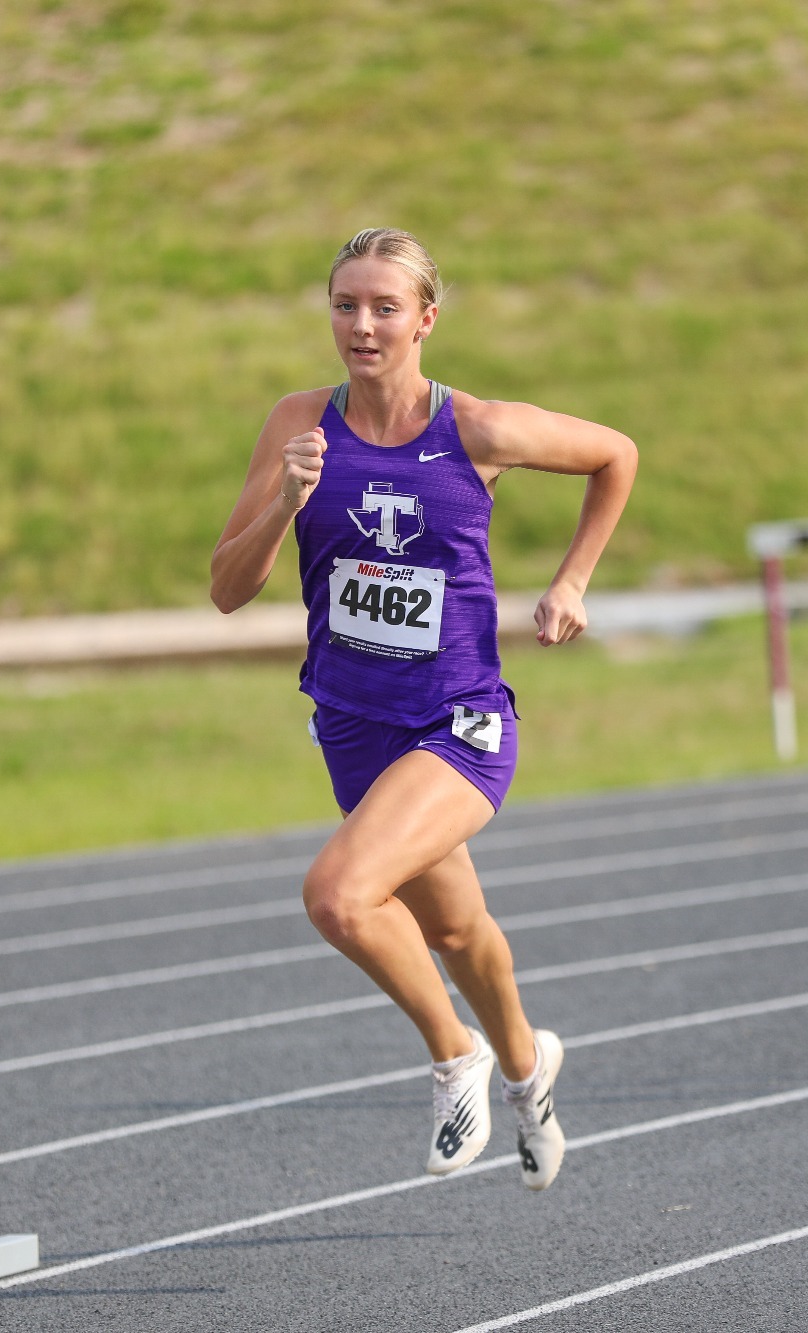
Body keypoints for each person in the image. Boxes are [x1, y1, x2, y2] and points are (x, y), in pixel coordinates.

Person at [210, 228, 637, 1190]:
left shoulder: (477, 429)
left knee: (339, 896)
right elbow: (227, 588)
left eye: (384, 307)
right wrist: (283, 500)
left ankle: (457, 1056)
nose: (362, 325)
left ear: (426, 320)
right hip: (354, 722)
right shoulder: (297, 422)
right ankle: (530, 1071)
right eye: (345, 305)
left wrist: (573, 580)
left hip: (460, 721)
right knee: (452, 928)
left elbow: (617, 454)